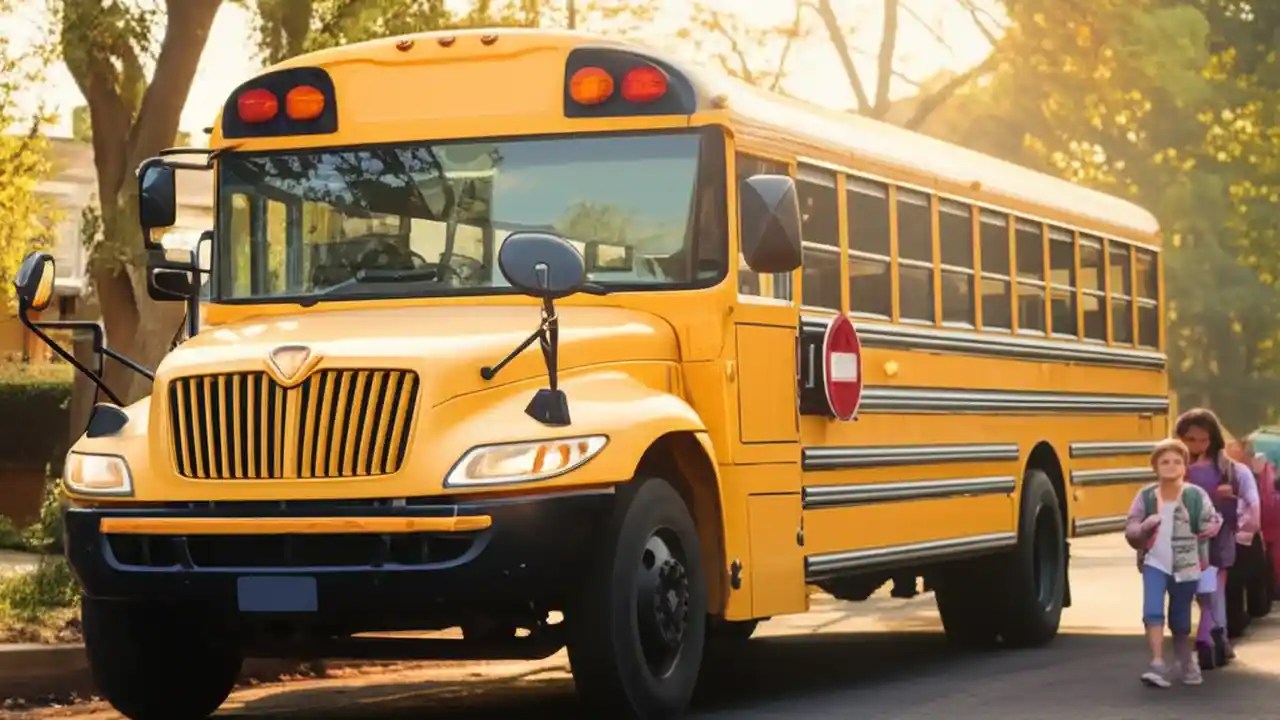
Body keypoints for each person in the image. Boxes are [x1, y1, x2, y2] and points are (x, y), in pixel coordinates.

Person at [1124, 437, 1222, 688]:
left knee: (1180, 617)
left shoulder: (1195, 495)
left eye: (1177, 461)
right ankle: (1157, 663)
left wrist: (1206, 526)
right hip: (1154, 562)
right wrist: (1144, 527)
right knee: (1152, 611)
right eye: (1164, 461)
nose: (1170, 466)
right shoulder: (1145, 496)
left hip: (1187, 564)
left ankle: (1185, 659)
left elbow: (1212, 521)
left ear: (1185, 466)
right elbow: (1131, 526)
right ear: (1155, 466)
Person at [1174, 408, 1259, 669]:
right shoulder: (1175, 469)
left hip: (1219, 538)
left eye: (1203, 439)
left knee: (1212, 589)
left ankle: (1213, 635)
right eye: (1190, 439)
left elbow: (1252, 503)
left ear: (1213, 439)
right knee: (1191, 591)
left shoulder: (1232, 471)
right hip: (1183, 539)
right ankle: (1210, 635)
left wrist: (1243, 528)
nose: (1197, 445)